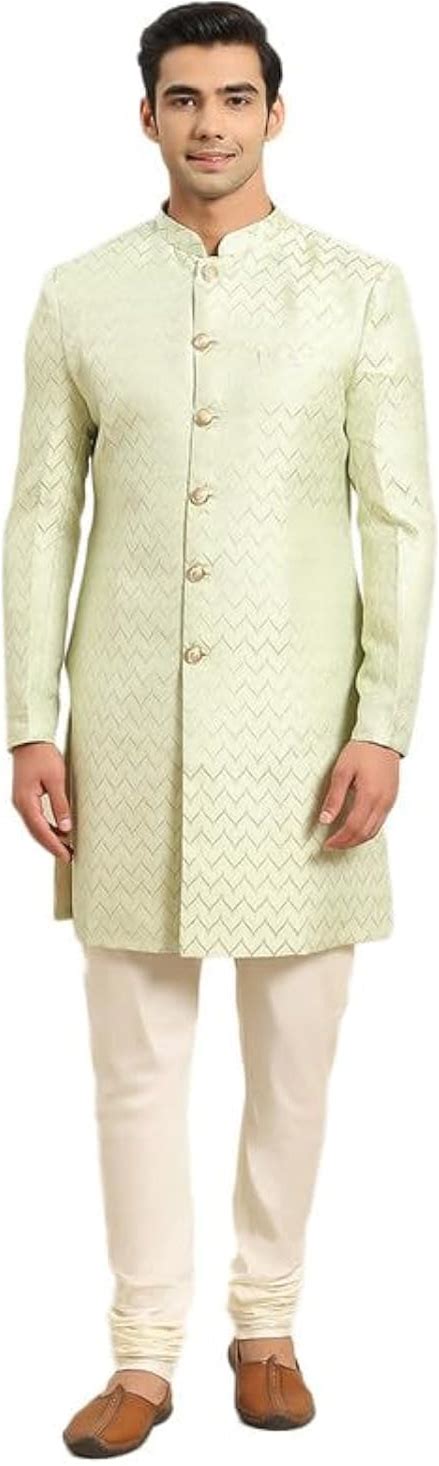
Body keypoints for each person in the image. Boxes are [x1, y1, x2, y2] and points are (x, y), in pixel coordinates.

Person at [2, 2, 436, 1454]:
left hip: (305, 738)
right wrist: (29, 719)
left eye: (235, 97)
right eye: (182, 99)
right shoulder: (80, 294)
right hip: (123, 726)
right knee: (132, 1059)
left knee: (294, 1054)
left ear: (275, 113)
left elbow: (401, 520)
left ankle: (268, 1328)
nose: (209, 124)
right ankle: (140, 1356)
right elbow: (41, 517)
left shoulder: (358, 291)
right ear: (146, 117)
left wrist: (385, 724)